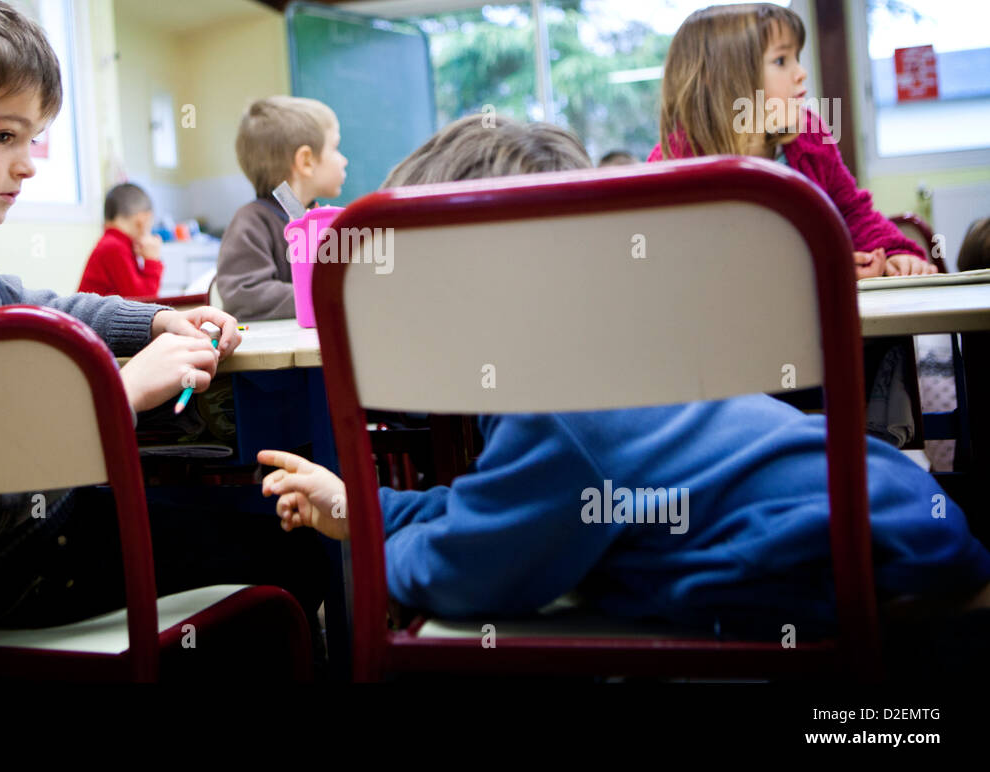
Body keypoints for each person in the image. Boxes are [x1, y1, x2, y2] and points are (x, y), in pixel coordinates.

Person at [258, 113, 990, 656]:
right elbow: (504, 505)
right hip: (890, 518)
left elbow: (475, 574)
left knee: (599, 595)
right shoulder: (593, 363)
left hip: (881, 581)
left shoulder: (557, 411)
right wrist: (371, 507)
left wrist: (374, 549)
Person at [0, 0, 326, 642]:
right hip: (16, 567)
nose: (27, 165)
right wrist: (122, 390)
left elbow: (31, 304)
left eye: (34, 138)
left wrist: (153, 321)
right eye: (4, 135)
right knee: (297, 531)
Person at [650, 3, 936, 279]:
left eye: (796, 58)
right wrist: (826, 269)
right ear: (721, 79)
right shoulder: (673, 163)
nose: (801, 73)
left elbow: (851, 211)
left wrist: (895, 253)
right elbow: (685, 263)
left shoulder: (810, 135)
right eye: (780, 60)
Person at [216, 96, 347, 320]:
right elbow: (243, 294)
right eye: (335, 148)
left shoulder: (319, 222)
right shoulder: (252, 222)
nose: (343, 160)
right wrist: (325, 296)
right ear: (306, 160)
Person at [78, 182, 163, 297]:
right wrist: (152, 261)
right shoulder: (114, 247)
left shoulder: (113, 243)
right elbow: (143, 301)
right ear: (143, 218)